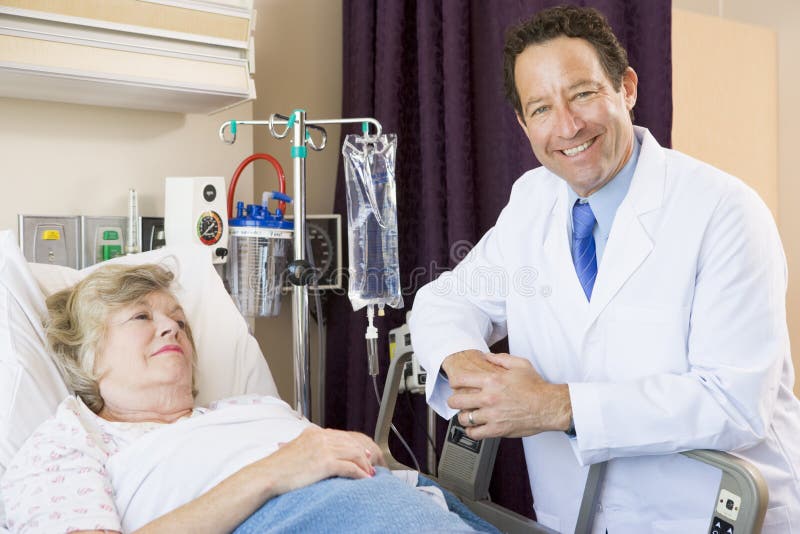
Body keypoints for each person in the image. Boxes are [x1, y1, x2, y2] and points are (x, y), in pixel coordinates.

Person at [409, 5, 800, 533]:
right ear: (524, 125)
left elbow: (734, 402)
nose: (567, 126)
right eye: (542, 108)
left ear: (627, 88)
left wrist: (555, 406)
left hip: (709, 512)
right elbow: (448, 299)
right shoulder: (532, 202)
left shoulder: (724, 212)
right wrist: (467, 367)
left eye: (584, 94)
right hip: (574, 514)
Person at [0, 263, 492, 533]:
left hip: (414, 504)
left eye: (179, 319)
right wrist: (274, 473)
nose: (172, 325)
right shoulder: (72, 440)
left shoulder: (249, 408)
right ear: (87, 357)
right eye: (141, 318)